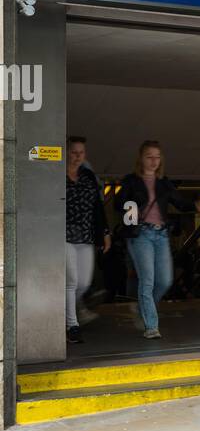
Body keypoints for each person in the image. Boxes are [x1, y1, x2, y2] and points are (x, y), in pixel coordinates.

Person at [119, 141, 200, 339]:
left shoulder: (163, 183)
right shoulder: (130, 181)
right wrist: (134, 208)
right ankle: (151, 326)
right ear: (141, 158)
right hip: (141, 235)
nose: (154, 161)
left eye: (157, 157)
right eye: (149, 156)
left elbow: (179, 202)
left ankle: (143, 308)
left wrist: (194, 204)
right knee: (147, 280)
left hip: (161, 234)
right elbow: (119, 203)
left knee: (165, 281)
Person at [65, 136, 111, 344]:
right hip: (62, 235)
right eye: (74, 152)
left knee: (83, 283)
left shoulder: (88, 176)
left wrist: (105, 232)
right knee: (72, 280)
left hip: (85, 235)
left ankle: (67, 310)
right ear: (65, 152)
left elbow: (97, 207)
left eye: (81, 153)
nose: (77, 157)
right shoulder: (56, 175)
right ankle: (72, 325)